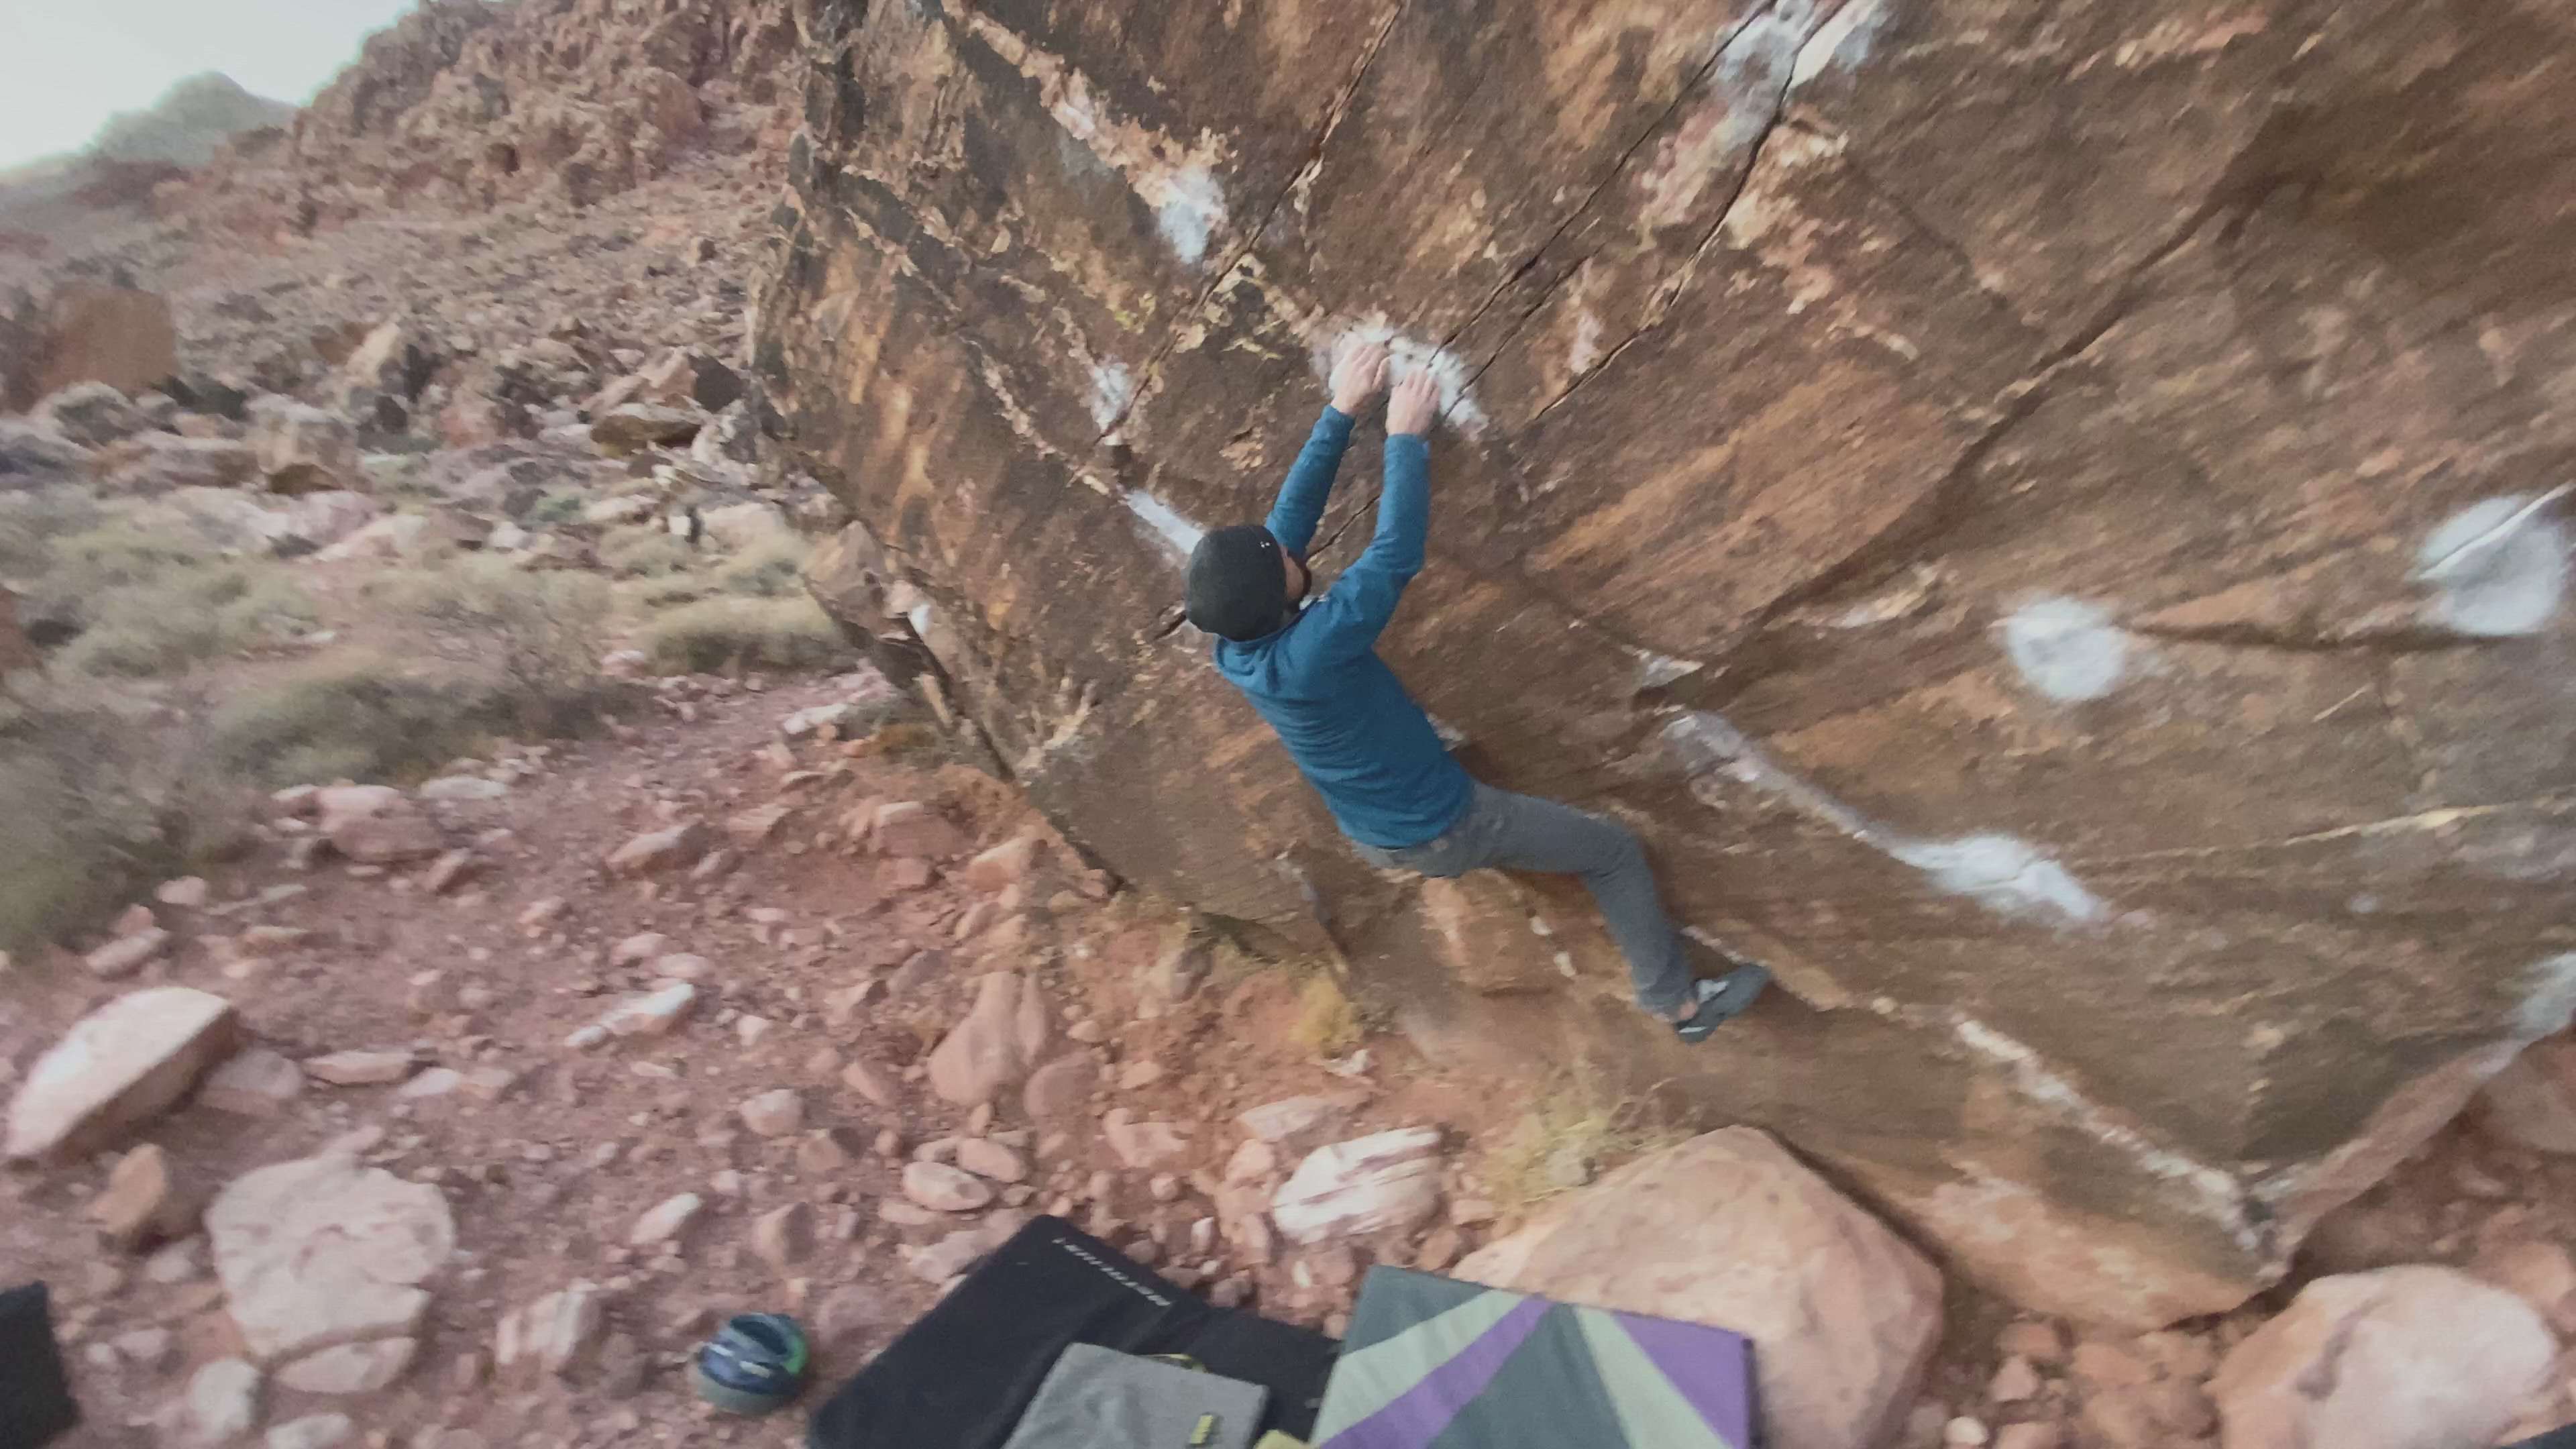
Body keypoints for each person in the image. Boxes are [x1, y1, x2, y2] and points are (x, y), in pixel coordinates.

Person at [1185, 341, 1770, 1041]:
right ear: (1271, 592)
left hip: (1379, 824)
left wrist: (1343, 408)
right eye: (1282, 562)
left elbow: (1287, 529)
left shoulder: (1240, 640)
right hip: (1442, 827)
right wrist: (1405, 439)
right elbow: (1394, 555)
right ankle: (1679, 1006)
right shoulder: (1308, 654)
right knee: (1612, 852)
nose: (1290, 550)